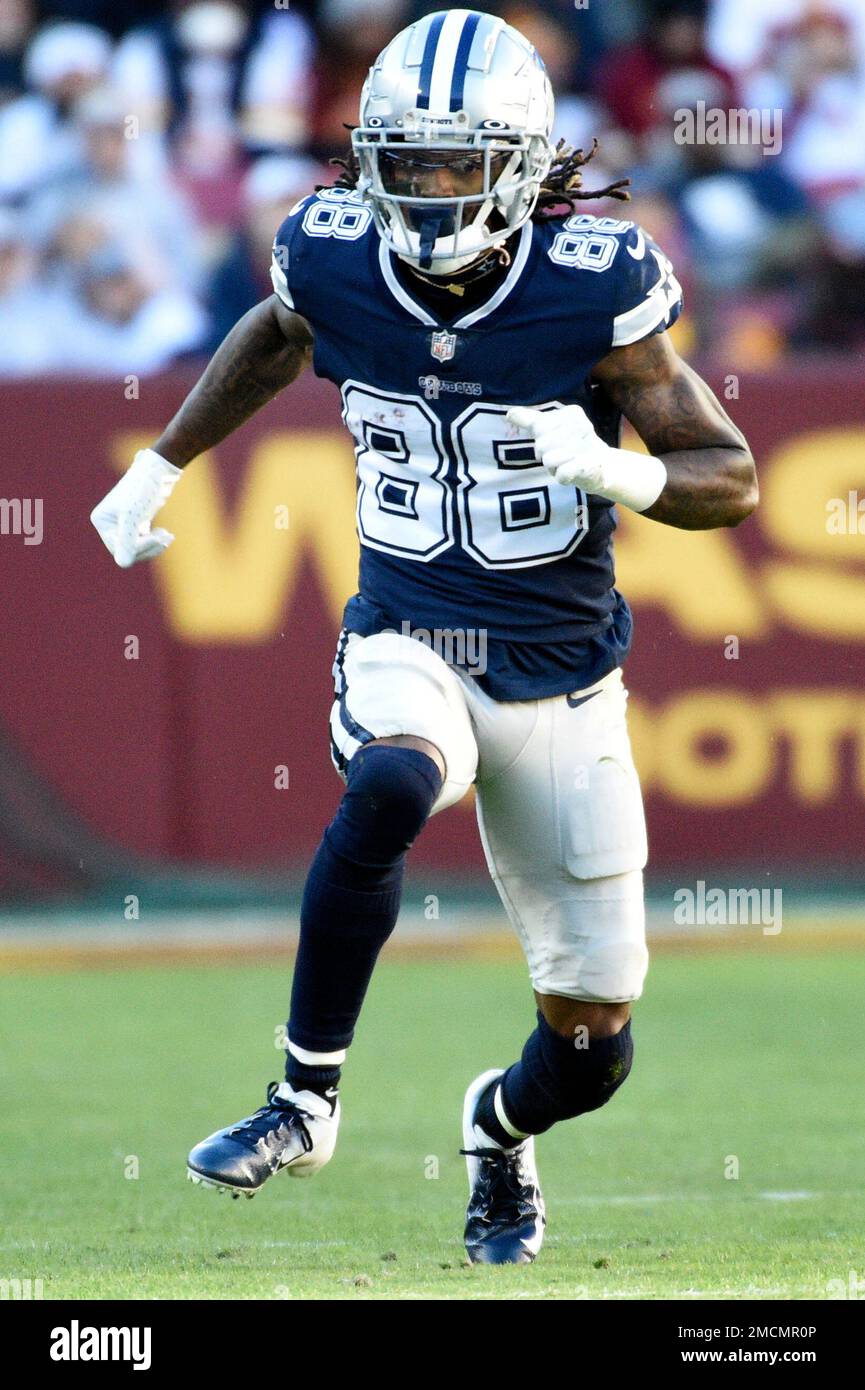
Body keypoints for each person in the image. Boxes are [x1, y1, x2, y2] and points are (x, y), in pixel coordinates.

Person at [90, 8, 757, 1266]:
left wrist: (615, 474)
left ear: (515, 163)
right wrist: (164, 460)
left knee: (591, 1037)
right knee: (392, 775)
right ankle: (302, 1101)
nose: (427, 187)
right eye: (404, 160)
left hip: (563, 677)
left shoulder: (591, 283)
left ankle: (495, 1131)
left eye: (456, 163)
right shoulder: (332, 249)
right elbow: (277, 332)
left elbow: (728, 475)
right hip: (411, 627)